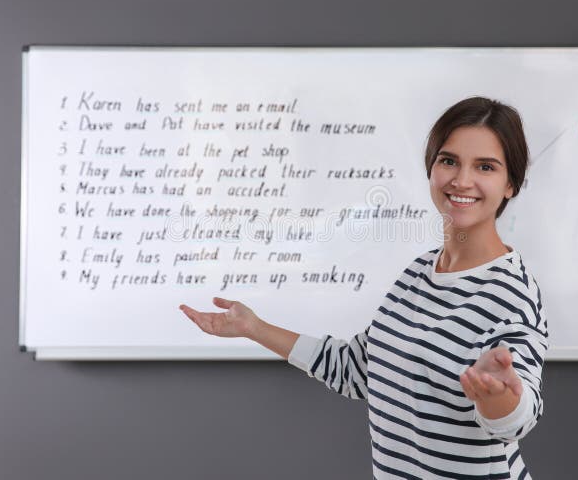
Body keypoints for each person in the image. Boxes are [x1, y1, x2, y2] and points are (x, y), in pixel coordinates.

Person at [180, 96, 548, 479]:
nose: (461, 180)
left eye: (485, 167)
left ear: (510, 184)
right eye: (449, 160)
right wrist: (253, 328)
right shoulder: (419, 273)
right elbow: (357, 369)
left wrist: (500, 399)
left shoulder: (512, 294)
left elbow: (517, 420)